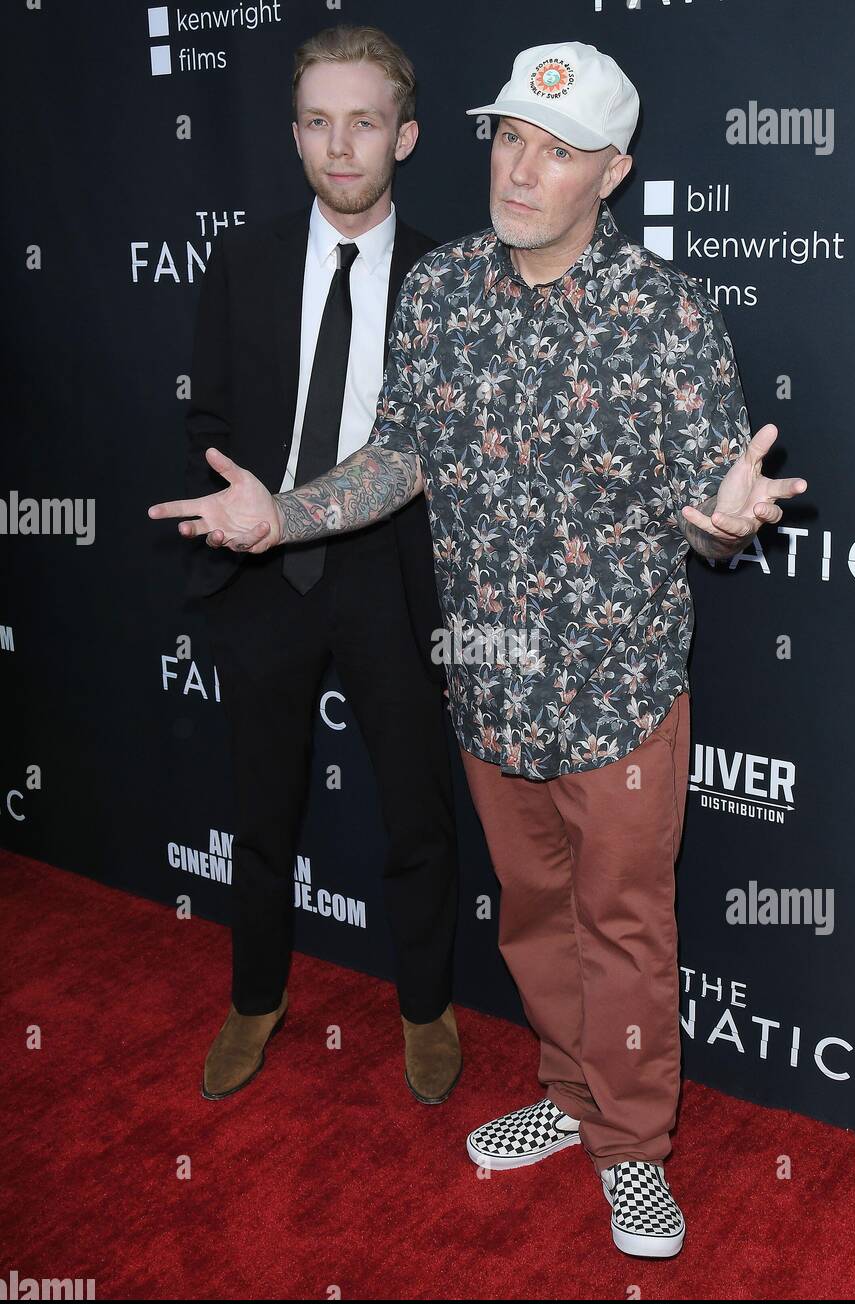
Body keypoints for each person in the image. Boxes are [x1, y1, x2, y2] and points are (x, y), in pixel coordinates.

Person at [150, 40, 807, 1256]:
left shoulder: (667, 320)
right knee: (533, 922)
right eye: (510, 137)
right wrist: (278, 514)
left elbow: (710, 519)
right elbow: (398, 456)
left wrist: (723, 525)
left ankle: (632, 1147)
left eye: (557, 152)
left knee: (624, 934)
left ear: (609, 175)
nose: (521, 169)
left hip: (616, 700)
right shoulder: (442, 290)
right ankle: (568, 1094)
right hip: (489, 689)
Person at [180, 24, 461, 1106]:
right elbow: (207, 413)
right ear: (294, 133)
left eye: (365, 122)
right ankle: (256, 997)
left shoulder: (449, 279)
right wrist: (233, 512)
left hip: (394, 579)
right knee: (260, 809)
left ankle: (426, 1007)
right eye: (318, 121)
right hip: (262, 569)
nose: (340, 146)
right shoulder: (241, 264)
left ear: (405, 135)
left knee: (416, 814)